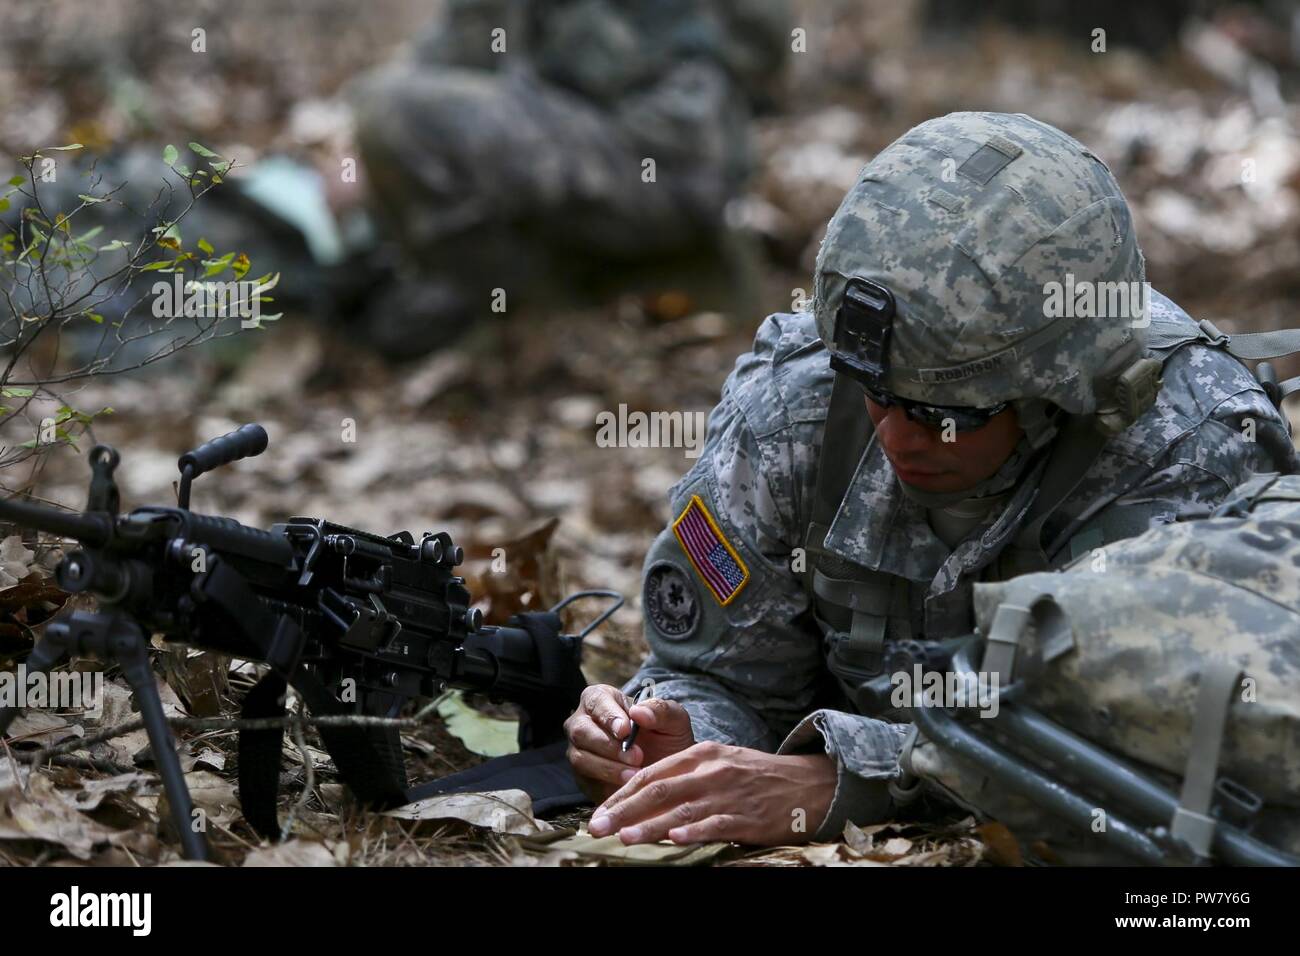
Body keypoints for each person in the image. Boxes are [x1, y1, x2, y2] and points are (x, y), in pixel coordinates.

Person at [563, 111, 1300, 847]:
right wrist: (675, 736)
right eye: (877, 395)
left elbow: (1164, 757)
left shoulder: (1187, 450)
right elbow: (726, 675)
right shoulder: (801, 408)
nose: (897, 436)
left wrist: (848, 780)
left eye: (944, 412)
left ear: (1054, 392)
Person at [348, 0, 790, 355]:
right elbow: (451, 51)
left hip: (667, 164)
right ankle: (541, 308)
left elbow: (764, 47)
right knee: (386, 111)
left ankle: (548, 319)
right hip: (589, 150)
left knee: (394, 116)